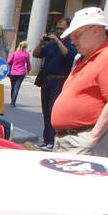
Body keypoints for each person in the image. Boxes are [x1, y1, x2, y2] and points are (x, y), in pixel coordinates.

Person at [51, 7, 108, 156]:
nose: (73, 41)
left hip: (83, 137)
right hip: (70, 137)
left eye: (77, 35)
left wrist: (93, 137)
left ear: (96, 30)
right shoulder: (87, 58)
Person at [33, 18, 76, 150]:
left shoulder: (71, 43)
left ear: (68, 29)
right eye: (57, 29)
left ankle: (52, 140)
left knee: (53, 111)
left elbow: (69, 55)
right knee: (46, 111)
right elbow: (36, 54)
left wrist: (58, 41)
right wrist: (41, 43)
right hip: (47, 80)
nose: (59, 31)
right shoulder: (51, 44)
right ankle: (46, 139)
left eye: (62, 29)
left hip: (60, 81)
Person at [7, 40, 32, 106]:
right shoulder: (26, 54)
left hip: (13, 72)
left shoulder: (15, 53)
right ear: (26, 47)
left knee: (13, 87)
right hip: (21, 73)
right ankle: (13, 102)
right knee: (17, 87)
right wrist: (28, 70)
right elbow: (28, 63)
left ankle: (12, 99)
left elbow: (9, 61)